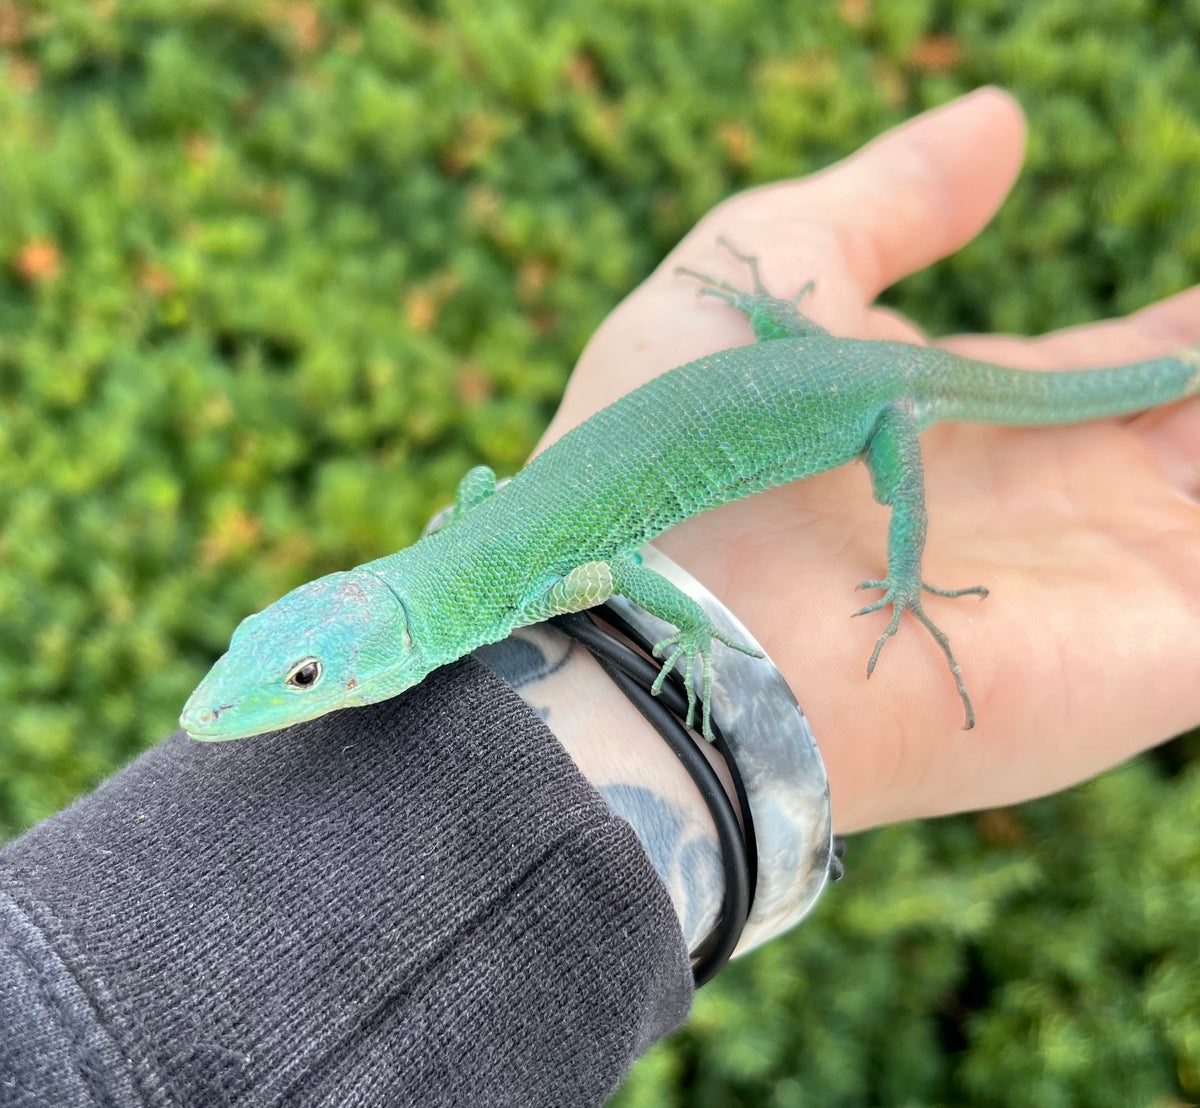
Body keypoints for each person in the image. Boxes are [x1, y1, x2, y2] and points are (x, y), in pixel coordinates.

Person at [2, 87, 1197, 1106]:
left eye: (306, 675)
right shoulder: (468, 562)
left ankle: (903, 572)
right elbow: (483, 485)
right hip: (796, 368)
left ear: (368, 634)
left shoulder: (526, 581)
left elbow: (616, 572)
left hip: (875, 398)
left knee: (913, 472)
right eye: (295, 668)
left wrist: (706, 636)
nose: (276, 695)